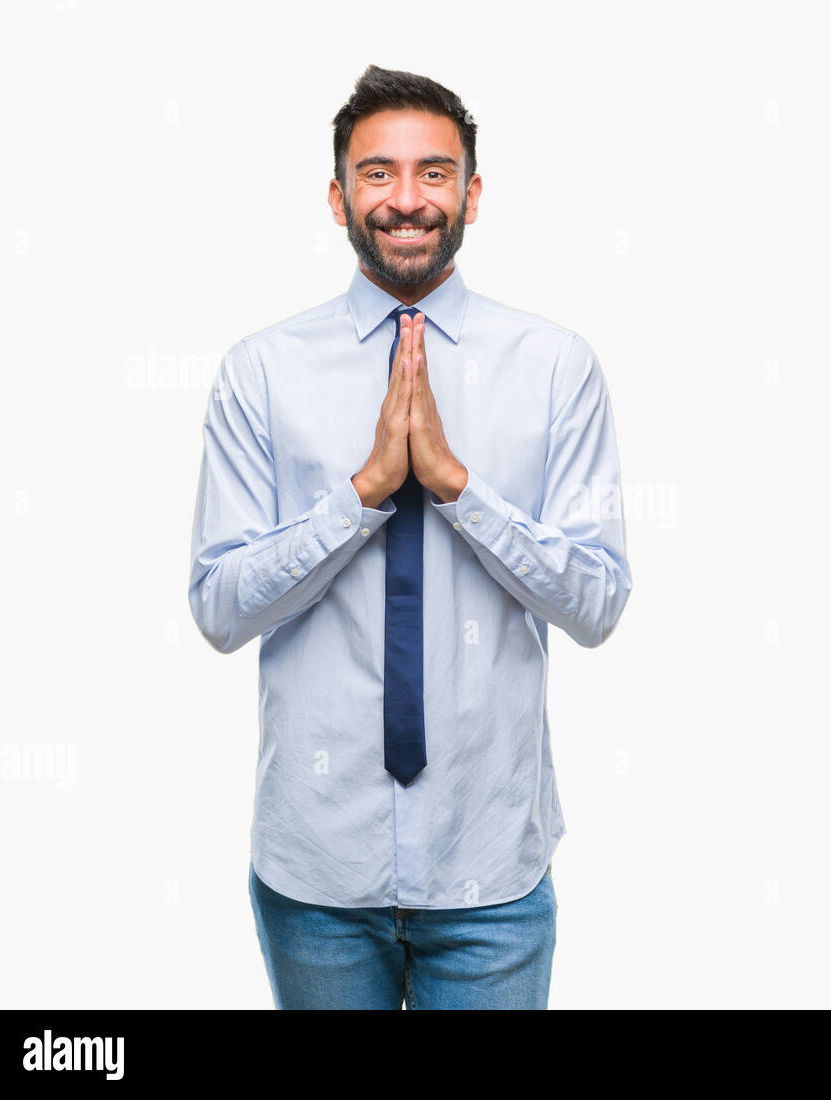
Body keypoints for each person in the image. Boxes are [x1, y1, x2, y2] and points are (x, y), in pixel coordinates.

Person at [187, 65, 632, 1010]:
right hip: (316, 875)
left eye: (434, 173)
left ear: (471, 193)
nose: (406, 199)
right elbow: (220, 611)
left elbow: (597, 602)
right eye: (377, 172)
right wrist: (363, 496)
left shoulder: (556, 368)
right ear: (339, 195)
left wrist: (460, 489)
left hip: (491, 877)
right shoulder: (260, 373)